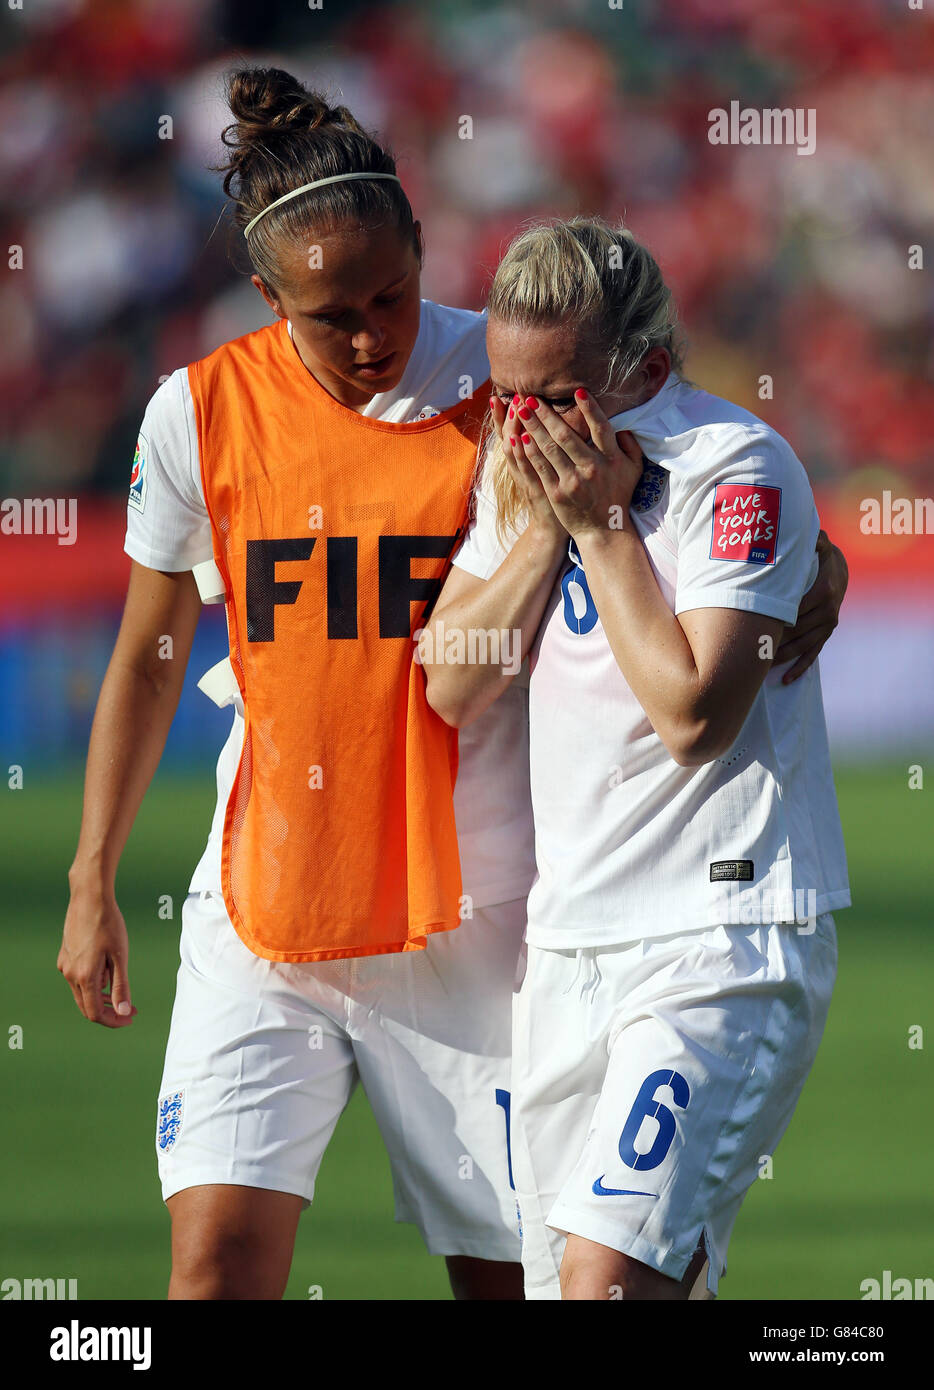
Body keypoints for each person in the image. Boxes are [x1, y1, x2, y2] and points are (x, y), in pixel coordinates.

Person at [58, 69, 845, 1300]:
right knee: (211, 1269)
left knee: (516, 1283)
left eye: (391, 292)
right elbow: (152, 653)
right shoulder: (194, 416)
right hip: (270, 887)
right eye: (331, 315)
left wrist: (815, 556)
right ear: (267, 299)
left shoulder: (514, 373)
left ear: (426, 247)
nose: (371, 333)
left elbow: (691, 449)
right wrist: (93, 871)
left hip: (478, 908)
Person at [422, 217, 851, 1300]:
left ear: (647, 369)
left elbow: (694, 717)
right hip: (568, 947)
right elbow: (451, 680)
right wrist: (545, 522)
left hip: (720, 941)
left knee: (604, 1283)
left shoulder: (736, 467)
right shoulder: (524, 469)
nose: (522, 422)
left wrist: (604, 530)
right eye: (506, 393)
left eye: (554, 394)